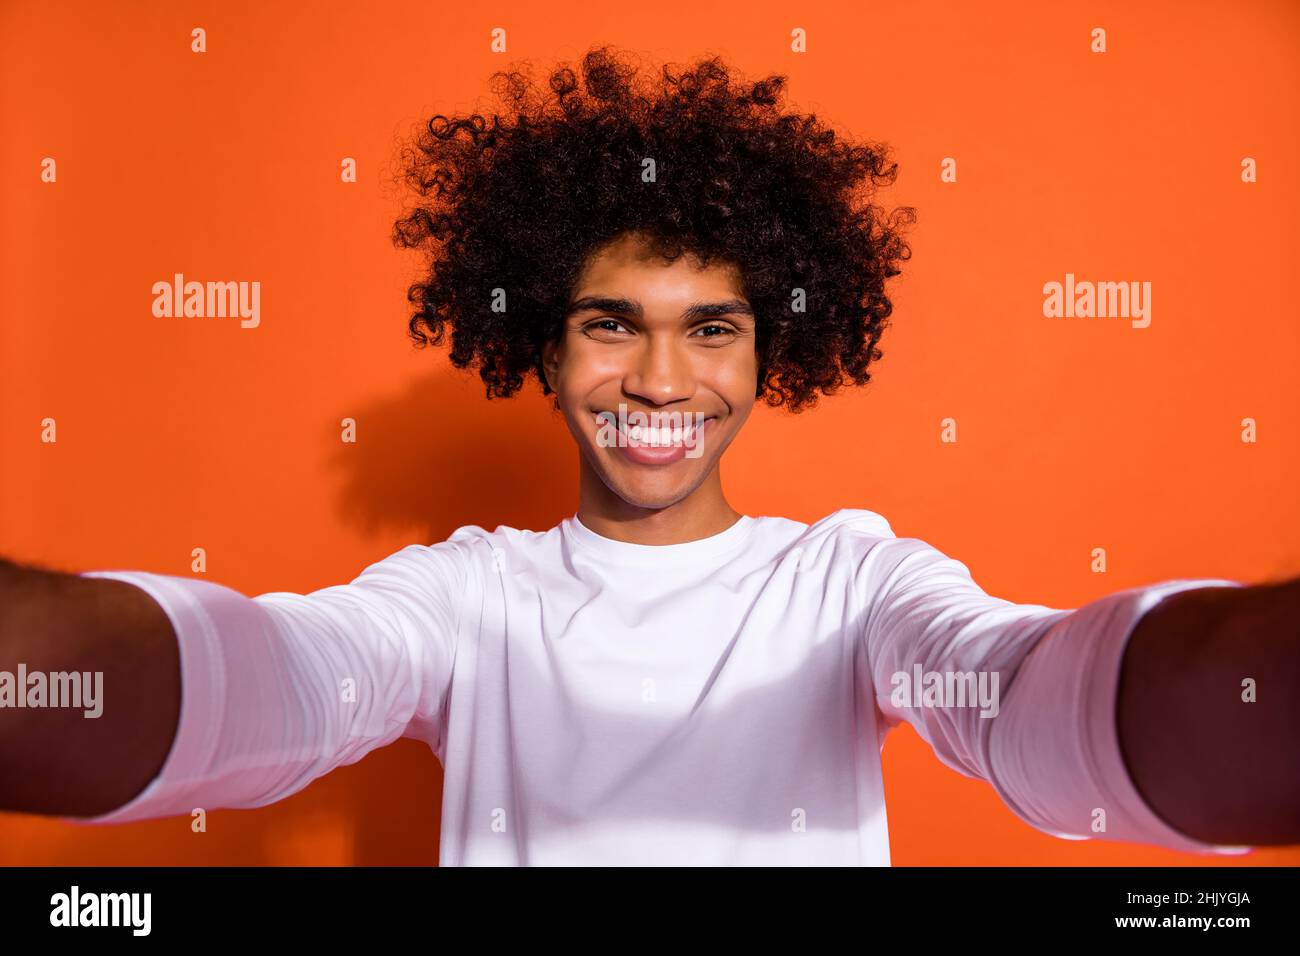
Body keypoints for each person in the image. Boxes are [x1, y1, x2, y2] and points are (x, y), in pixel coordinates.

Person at [1, 47, 1296, 866]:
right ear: (544, 348)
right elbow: (274, 683)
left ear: (770, 352)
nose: (663, 381)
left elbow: (1022, 695)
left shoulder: (850, 585)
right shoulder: (469, 596)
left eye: (712, 331)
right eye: (611, 323)